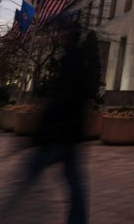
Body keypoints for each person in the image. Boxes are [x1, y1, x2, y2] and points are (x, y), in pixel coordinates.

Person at [17, 15, 90, 223]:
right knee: (75, 182)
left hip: (59, 134)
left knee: (29, 176)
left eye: (61, 31)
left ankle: (15, 213)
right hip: (68, 134)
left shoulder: (72, 60)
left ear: (67, 34)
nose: (57, 35)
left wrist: (40, 132)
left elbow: (62, 101)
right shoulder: (75, 58)